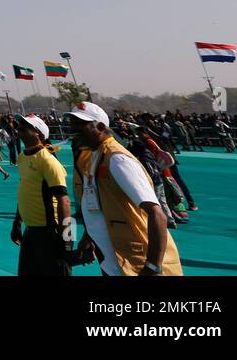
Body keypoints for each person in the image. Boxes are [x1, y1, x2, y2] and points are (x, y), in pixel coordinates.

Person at [65, 102, 182, 276]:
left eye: (82, 125)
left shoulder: (117, 159)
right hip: (114, 261)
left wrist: (152, 266)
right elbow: (99, 204)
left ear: (101, 126)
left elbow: (157, 214)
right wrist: (90, 235)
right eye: (74, 125)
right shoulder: (95, 156)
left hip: (137, 261)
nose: (75, 130)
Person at [10, 115, 72, 276]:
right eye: (20, 125)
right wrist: (17, 222)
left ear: (39, 134)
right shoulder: (23, 157)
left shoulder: (48, 161)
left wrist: (67, 241)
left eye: (25, 126)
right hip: (31, 232)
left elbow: (64, 201)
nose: (20, 129)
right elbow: (25, 189)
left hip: (50, 232)